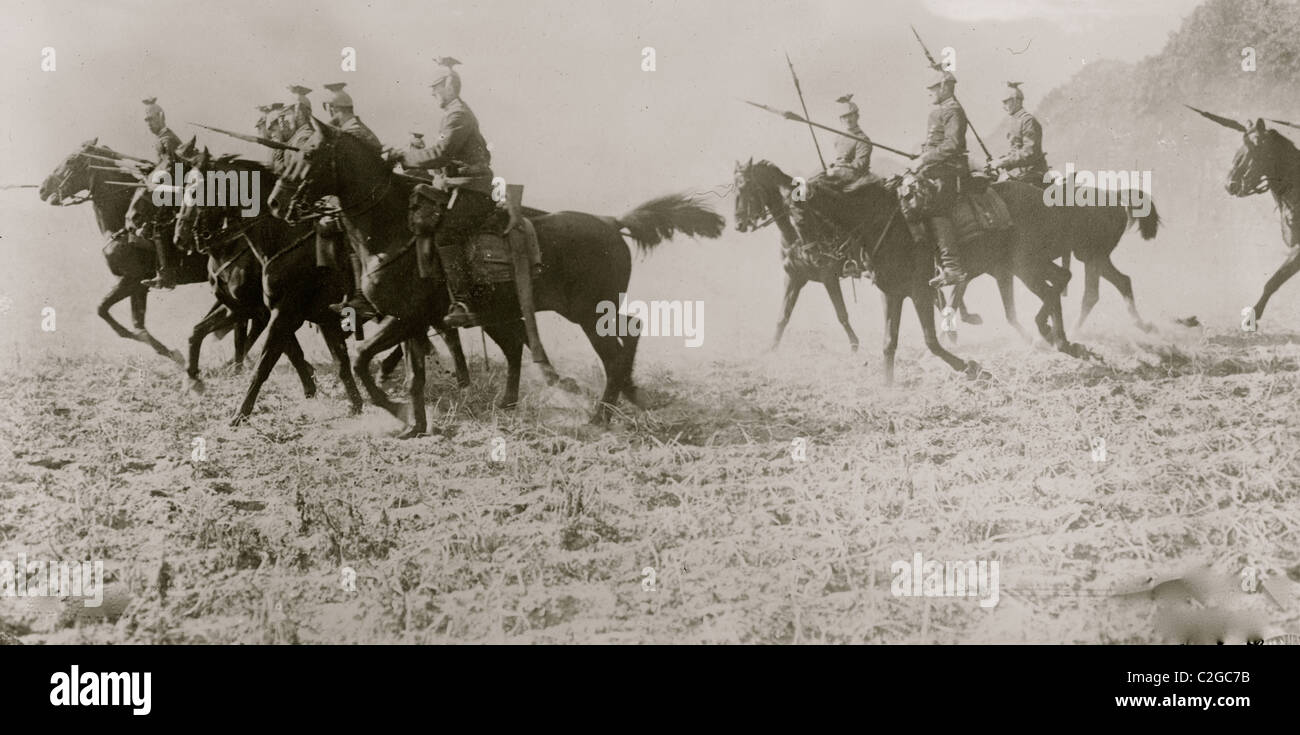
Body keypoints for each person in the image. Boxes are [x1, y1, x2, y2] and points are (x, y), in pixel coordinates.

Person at [389, 57, 496, 329]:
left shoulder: (457, 114)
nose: (432, 92)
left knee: (446, 232)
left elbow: (440, 153)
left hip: (473, 191)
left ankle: (464, 303)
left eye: (436, 86)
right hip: (461, 188)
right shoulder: (452, 113)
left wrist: (404, 155)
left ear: (449, 85)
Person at [318, 82, 382, 318]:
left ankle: (360, 296)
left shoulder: (353, 131)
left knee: (341, 232)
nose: (328, 116)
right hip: (357, 198)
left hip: (367, 201)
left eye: (329, 111)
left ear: (336, 110)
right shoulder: (349, 130)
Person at [917, 70, 970, 287]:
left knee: (935, 208)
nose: (929, 93)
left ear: (944, 88)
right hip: (936, 168)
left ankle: (952, 267)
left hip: (950, 171)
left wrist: (926, 157)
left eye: (932, 89)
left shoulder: (953, 110)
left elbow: (952, 145)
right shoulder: (939, 111)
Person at [137, 97, 183, 289]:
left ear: (161, 116)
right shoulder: (161, 139)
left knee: (159, 225)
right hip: (168, 188)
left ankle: (166, 274)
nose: (148, 123)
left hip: (176, 191)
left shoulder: (169, 140)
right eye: (146, 120)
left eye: (151, 118)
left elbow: (177, 170)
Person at [992, 82, 1049, 186]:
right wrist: (1001, 160)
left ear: (1015, 101)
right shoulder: (1014, 120)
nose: (1003, 106)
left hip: (1033, 175)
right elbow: (1016, 150)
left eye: (1006, 102)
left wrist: (1006, 161)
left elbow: (1030, 152)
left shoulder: (1028, 121)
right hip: (1020, 173)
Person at [824, 93, 875, 189]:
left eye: (850, 115)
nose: (848, 119)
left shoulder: (863, 139)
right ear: (840, 120)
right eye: (844, 117)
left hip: (856, 177)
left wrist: (844, 166)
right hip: (837, 171)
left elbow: (861, 163)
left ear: (857, 116)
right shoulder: (839, 138)